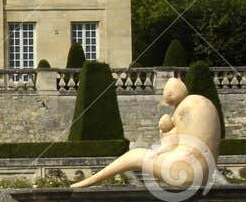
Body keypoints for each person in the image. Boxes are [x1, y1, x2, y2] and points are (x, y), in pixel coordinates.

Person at [70, 76, 220, 191]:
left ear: (171, 93)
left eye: (166, 94)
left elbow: (170, 145)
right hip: (204, 173)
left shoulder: (184, 108)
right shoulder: (200, 102)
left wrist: (165, 130)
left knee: (136, 155)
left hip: (186, 170)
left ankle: (85, 182)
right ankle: (85, 183)